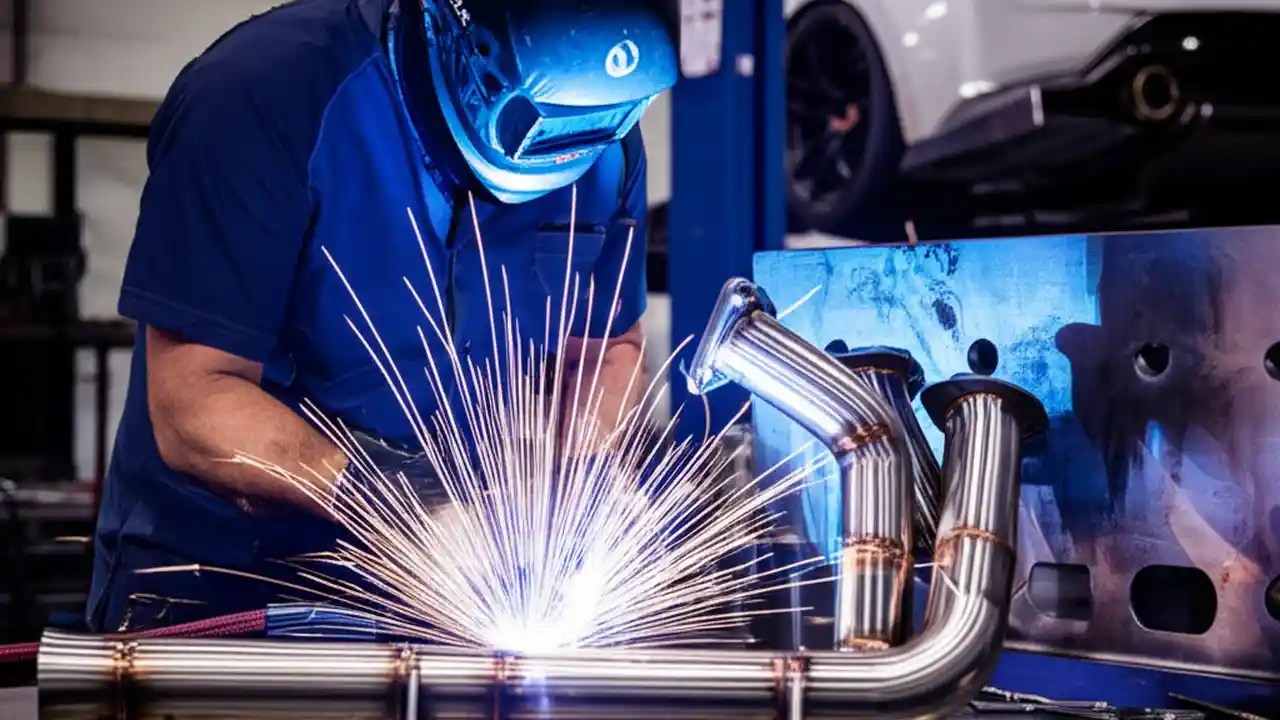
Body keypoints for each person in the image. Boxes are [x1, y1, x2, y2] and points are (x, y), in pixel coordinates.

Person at [86, 0, 677, 633]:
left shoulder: (600, 130)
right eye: (537, 119)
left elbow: (607, 348)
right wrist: (400, 502)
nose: (565, 146)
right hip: (228, 589)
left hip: (459, 599)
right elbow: (192, 403)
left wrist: (585, 476)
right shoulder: (260, 96)